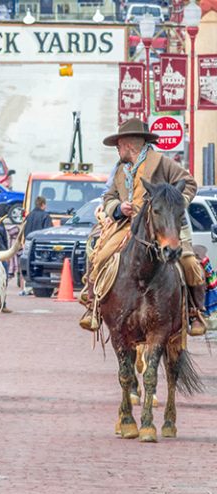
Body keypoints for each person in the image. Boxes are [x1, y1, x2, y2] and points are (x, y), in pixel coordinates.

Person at [79, 118, 203, 334]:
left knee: (190, 262)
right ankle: (94, 306)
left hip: (165, 225)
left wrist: (173, 205)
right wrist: (118, 208)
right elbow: (109, 196)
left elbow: (190, 183)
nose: (117, 149)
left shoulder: (162, 162)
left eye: (118, 145)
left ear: (128, 144)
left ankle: (195, 312)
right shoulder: (120, 169)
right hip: (128, 227)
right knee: (99, 256)